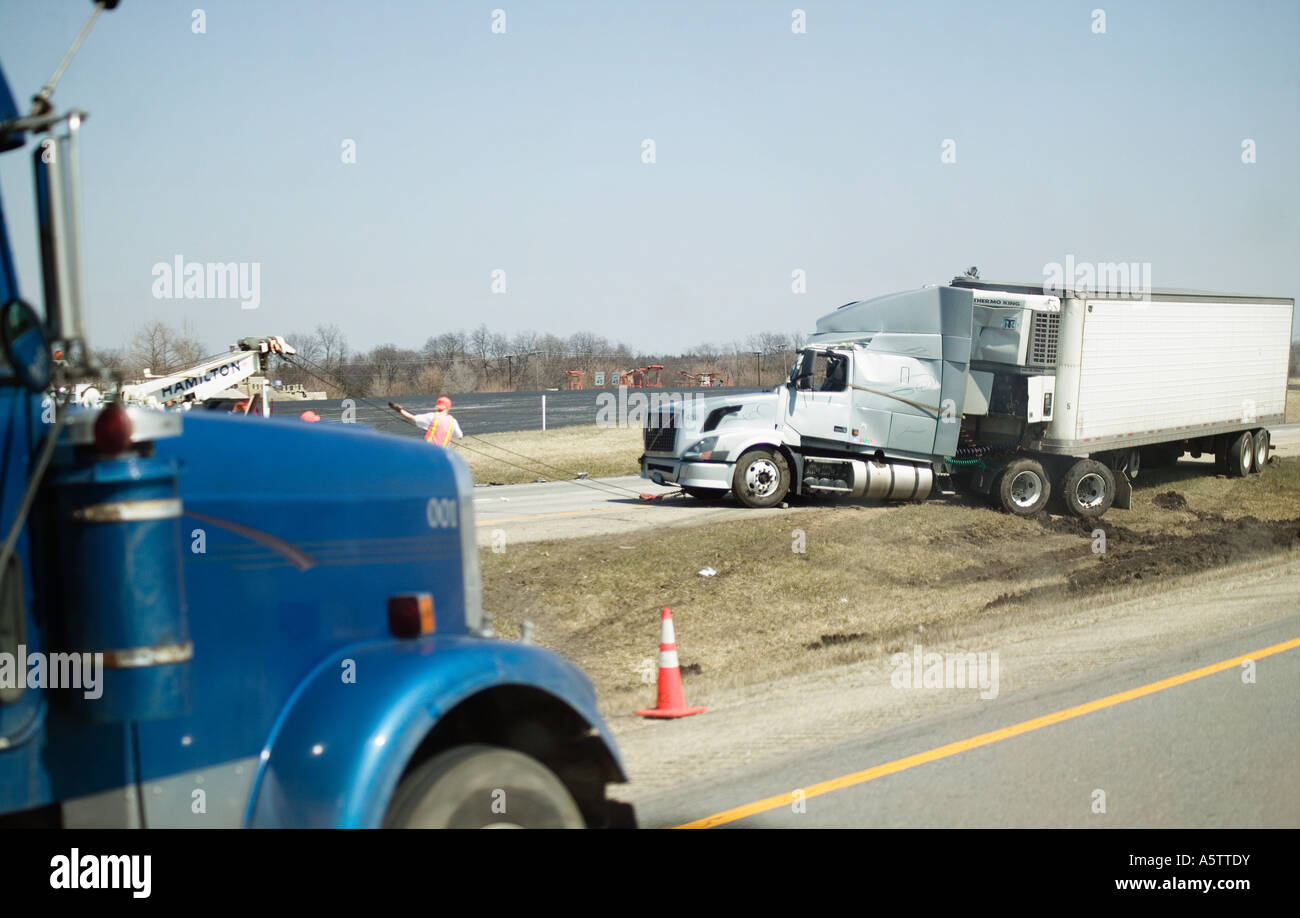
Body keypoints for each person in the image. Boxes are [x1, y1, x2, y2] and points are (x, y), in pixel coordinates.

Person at [391, 396, 463, 446]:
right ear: (448, 407)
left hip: (429, 452)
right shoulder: (453, 421)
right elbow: (460, 436)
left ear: (438, 406)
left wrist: (399, 410)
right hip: (442, 455)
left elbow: (411, 418)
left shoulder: (432, 416)